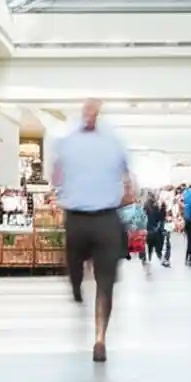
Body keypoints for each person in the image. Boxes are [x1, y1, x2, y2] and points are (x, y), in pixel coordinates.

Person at [51, 98, 134, 363]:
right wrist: (59, 193)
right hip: (76, 216)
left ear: (99, 114)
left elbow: (127, 176)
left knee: (105, 282)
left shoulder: (113, 141)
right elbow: (56, 173)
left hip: (106, 217)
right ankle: (75, 286)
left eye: (94, 110)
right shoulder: (67, 141)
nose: (90, 115)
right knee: (74, 265)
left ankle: (100, 339)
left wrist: (126, 192)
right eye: (87, 110)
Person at [144, 194, 167, 267]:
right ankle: (159, 259)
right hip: (154, 229)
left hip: (149, 229)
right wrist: (163, 208)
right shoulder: (155, 205)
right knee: (156, 247)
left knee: (150, 246)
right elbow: (160, 217)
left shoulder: (148, 205)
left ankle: (148, 260)